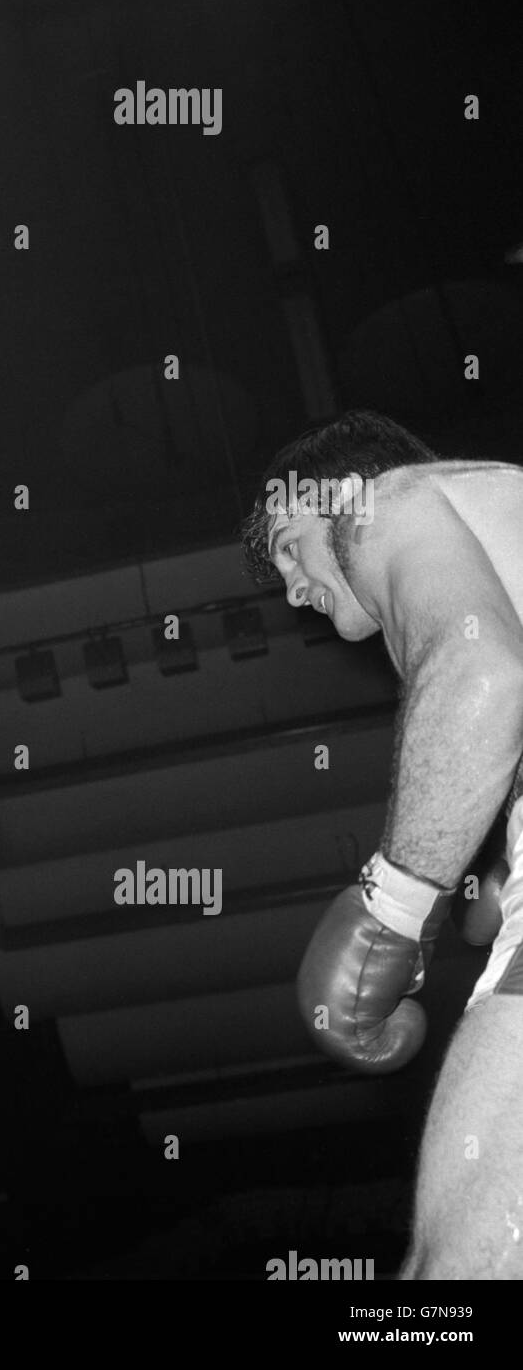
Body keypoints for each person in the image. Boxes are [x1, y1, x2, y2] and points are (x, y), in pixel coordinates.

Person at [241, 409, 523, 1278]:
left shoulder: (382, 503)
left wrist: (393, 912)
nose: (293, 590)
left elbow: (483, 673)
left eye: (289, 545)